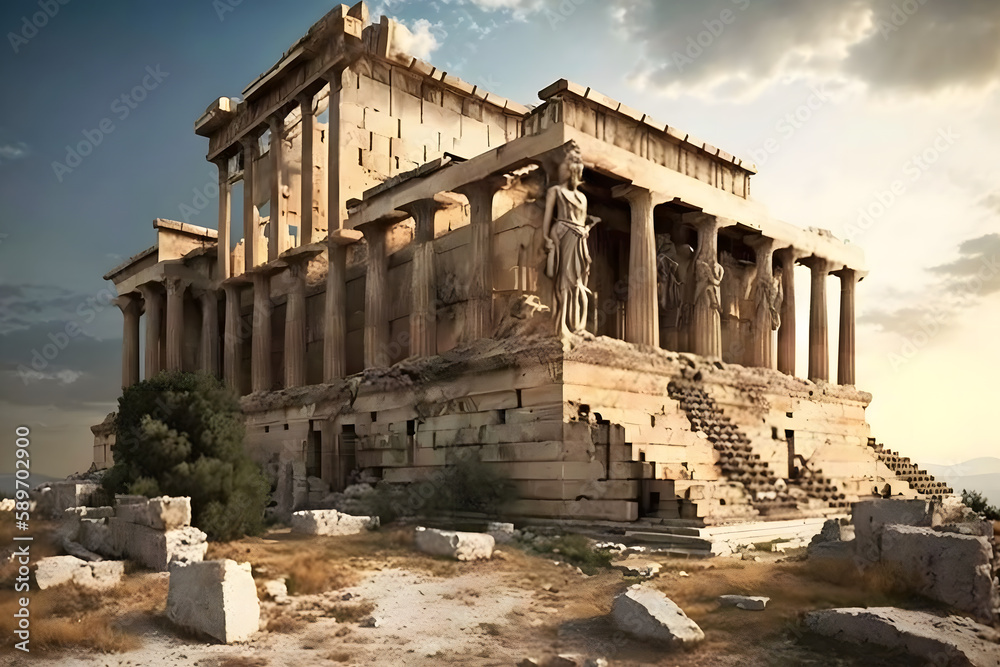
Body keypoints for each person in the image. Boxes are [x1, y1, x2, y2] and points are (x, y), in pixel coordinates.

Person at [541, 143, 600, 340]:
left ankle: (578, 326)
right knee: (564, 282)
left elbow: (582, 220)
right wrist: (547, 238)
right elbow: (548, 219)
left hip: (579, 240)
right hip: (563, 234)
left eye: (569, 165)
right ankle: (561, 327)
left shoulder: (582, 198)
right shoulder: (555, 191)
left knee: (579, 284)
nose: (564, 169)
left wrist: (585, 230)